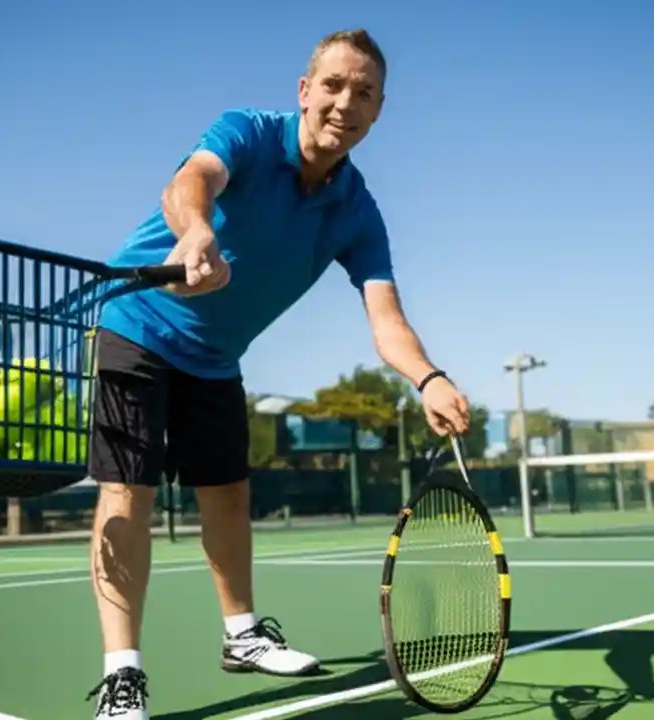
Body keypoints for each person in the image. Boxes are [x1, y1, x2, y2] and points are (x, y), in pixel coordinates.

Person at [83, 28, 472, 719]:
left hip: (214, 356)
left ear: (378, 112)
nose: (344, 103)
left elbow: (387, 320)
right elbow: (190, 181)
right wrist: (196, 231)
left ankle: (242, 636)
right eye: (333, 85)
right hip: (136, 324)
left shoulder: (358, 210)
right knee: (127, 494)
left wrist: (428, 377)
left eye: (364, 93)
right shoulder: (249, 133)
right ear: (304, 91)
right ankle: (123, 675)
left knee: (229, 495)